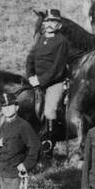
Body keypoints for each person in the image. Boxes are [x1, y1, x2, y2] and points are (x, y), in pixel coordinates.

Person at [25, 8, 71, 138]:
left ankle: (49, 140)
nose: (50, 24)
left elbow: (58, 68)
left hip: (54, 82)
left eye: (53, 21)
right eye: (47, 21)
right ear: (43, 23)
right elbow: (30, 58)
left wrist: (40, 80)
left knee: (50, 110)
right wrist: (30, 76)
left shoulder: (61, 41)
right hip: (35, 80)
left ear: (59, 25)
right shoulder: (39, 38)